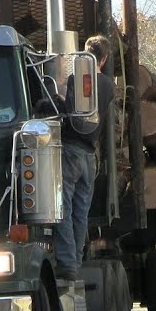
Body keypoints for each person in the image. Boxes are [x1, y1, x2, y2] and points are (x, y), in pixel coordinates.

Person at [54, 34, 117, 281]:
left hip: (70, 149)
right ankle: (77, 261)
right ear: (104, 58)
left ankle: (68, 263)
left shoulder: (74, 80)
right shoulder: (109, 86)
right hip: (90, 154)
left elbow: (69, 112)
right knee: (81, 212)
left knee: (63, 208)